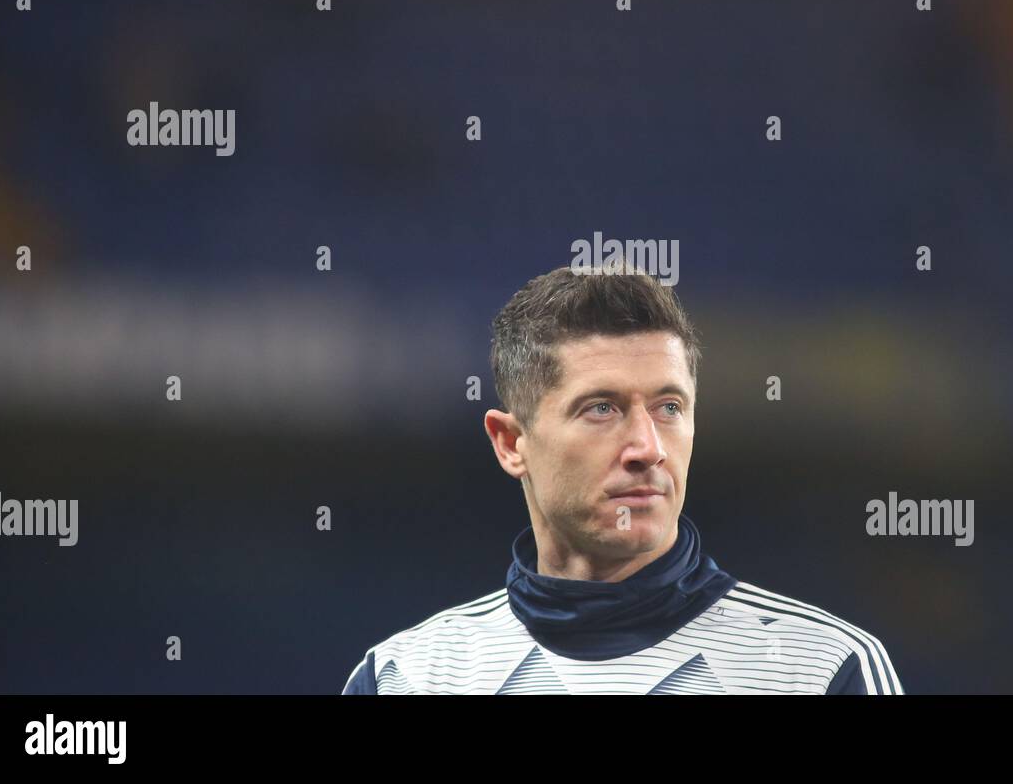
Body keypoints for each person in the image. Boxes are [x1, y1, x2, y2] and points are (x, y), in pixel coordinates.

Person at [342, 266, 903, 694]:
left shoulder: (823, 671)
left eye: (668, 408)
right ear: (512, 444)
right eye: (602, 409)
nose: (648, 449)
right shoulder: (406, 676)